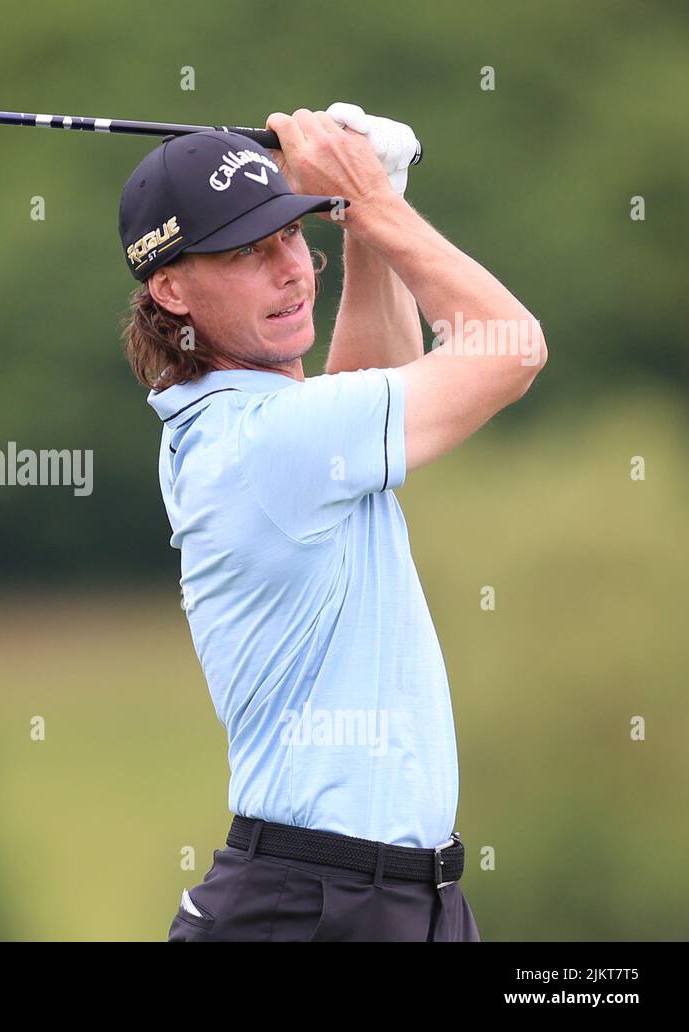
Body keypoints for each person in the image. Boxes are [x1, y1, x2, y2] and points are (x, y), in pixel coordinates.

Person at [117, 105, 546, 941]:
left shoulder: (254, 423)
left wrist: (357, 216)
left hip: (394, 899)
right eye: (245, 252)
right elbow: (511, 349)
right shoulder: (263, 440)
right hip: (312, 905)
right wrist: (375, 199)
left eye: (289, 234)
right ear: (171, 289)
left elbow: (370, 382)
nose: (288, 270)